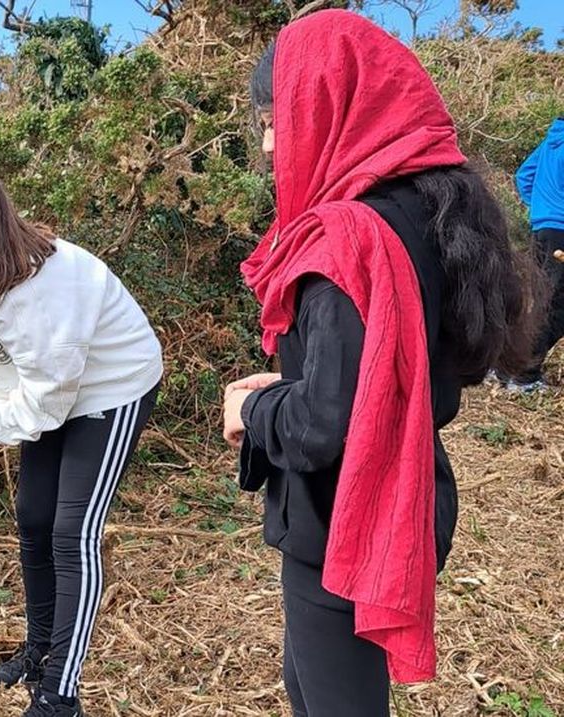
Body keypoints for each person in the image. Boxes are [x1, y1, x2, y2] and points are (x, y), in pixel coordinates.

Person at [222, 10, 533, 717]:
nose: (270, 144)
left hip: (344, 519)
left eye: (277, 118)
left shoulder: (347, 246)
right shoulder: (428, 214)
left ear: (324, 106)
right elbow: (406, 376)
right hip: (405, 492)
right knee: (318, 687)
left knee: (332, 701)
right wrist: (297, 382)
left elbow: (321, 426)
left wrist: (253, 407)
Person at [0, 162, 163, 717]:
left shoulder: (43, 289)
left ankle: (58, 694)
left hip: (110, 390)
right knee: (33, 517)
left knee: (72, 532)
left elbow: (50, 393)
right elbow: (18, 370)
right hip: (54, 389)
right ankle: (39, 651)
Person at [499, 118, 564, 391]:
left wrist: (539, 208)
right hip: (560, 231)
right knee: (557, 307)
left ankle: (506, 368)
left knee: (541, 303)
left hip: (543, 228)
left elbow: (525, 175)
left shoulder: (554, 139)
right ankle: (524, 375)